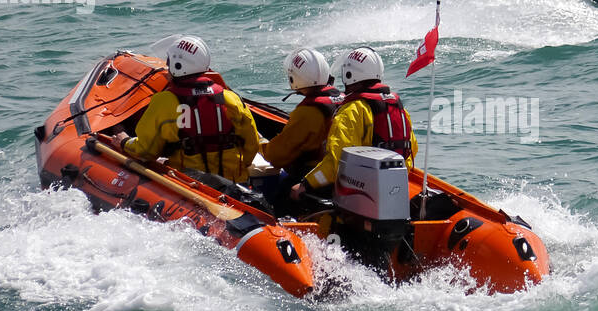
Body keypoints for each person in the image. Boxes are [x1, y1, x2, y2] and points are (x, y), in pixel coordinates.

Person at [115, 34, 259, 184]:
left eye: (169, 63)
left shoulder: (165, 101)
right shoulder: (230, 98)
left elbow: (146, 151)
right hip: (235, 182)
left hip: (189, 184)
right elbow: (252, 144)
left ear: (178, 66)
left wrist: (124, 142)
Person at [291, 47, 418, 199]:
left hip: (360, 192)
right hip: (393, 187)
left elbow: (337, 163)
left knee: (289, 192)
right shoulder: (399, 109)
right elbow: (412, 150)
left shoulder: (351, 111)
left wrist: (306, 184)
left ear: (349, 74)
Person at [252, 48, 341, 202]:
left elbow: (276, 156)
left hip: (313, 176)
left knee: (277, 197)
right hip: (337, 173)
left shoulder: (307, 112)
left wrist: (260, 144)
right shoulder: (343, 100)